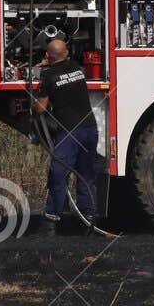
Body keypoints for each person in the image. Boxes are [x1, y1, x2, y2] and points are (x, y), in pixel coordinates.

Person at [34, 38, 100, 232]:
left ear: (47, 56)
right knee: (86, 174)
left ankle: (51, 219)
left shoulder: (48, 76)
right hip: (90, 129)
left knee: (58, 173)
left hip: (69, 132)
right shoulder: (77, 69)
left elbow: (40, 108)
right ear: (67, 53)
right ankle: (88, 218)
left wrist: (33, 101)